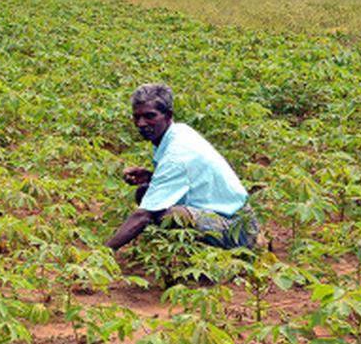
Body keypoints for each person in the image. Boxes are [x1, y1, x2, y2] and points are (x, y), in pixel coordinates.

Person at [106, 83, 259, 251]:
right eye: (137, 117)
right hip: (225, 215)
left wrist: (103, 253)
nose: (141, 123)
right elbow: (190, 176)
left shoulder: (177, 154)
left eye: (150, 116)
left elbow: (143, 215)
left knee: (169, 215)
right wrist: (152, 176)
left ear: (168, 115)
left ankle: (201, 258)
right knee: (144, 192)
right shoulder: (178, 131)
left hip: (237, 229)